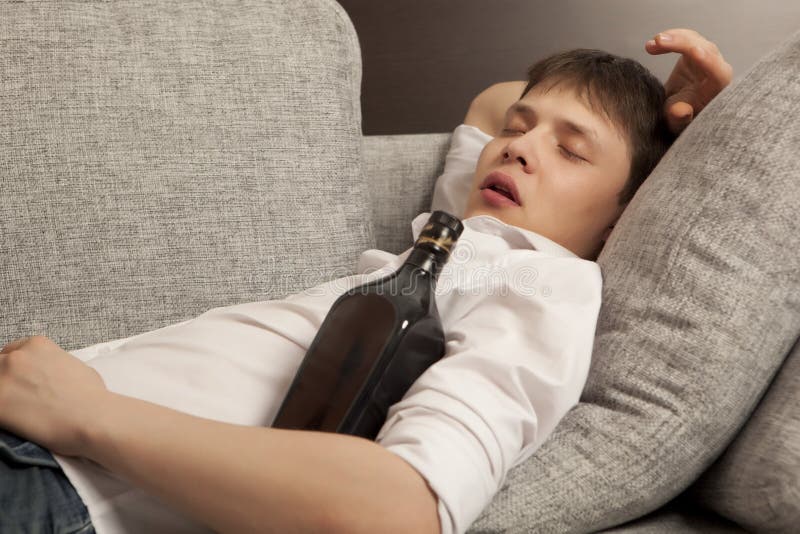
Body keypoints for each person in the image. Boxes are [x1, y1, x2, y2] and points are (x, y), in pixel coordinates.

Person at [0, 29, 732, 534]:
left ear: (626, 214)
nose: (519, 149)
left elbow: (399, 511)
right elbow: (491, 103)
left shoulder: (540, 286)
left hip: (59, 481)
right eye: (521, 130)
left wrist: (84, 415)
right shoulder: (464, 230)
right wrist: (632, 116)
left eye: (572, 151)